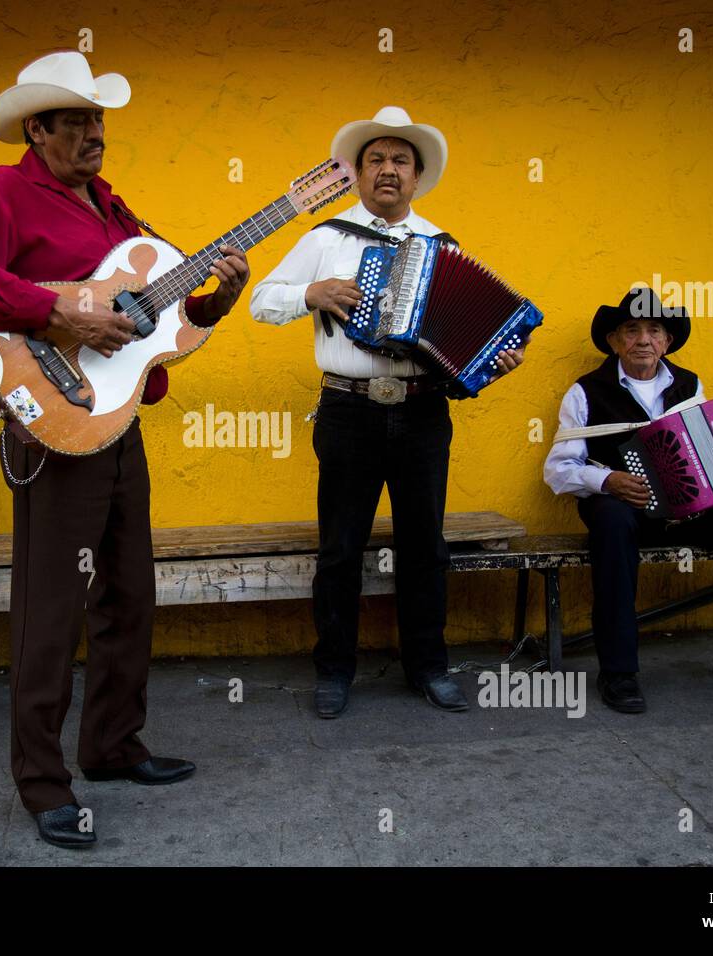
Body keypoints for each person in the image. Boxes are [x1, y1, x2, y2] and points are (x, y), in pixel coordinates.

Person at [0, 51, 249, 849]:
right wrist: (56, 315)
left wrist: (223, 295)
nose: (93, 133)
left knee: (129, 595)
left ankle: (111, 745)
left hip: (118, 423)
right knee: (49, 612)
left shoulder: (111, 208)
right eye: (75, 120)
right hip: (56, 426)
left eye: (97, 119)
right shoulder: (2, 191)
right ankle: (41, 784)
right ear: (36, 129)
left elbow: (156, 319)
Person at [250, 107, 526, 719]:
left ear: (417, 176)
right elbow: (261, 302)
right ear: (357, 174)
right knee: (341, 548)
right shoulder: (325, 239)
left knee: (425, 546)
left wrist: (491, 361)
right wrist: (310, 294)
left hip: (423, 414)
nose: (388, 170)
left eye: (401, 160)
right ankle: (334, 671)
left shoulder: (442, 246)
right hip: (349, 411)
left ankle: (429, 666)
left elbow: (467, 340)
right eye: (375, 159)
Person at [544, 288, 713, 713]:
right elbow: (557, 468)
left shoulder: (689, 385)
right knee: (610, 524)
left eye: (653, 330)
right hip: (625, 512)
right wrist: (608, 479)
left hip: (691, 512)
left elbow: (710, 444)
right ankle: (619, 670)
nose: (643, 340)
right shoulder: (586, 392)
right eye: (631, 330)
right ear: (614, 341)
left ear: (667, 341)